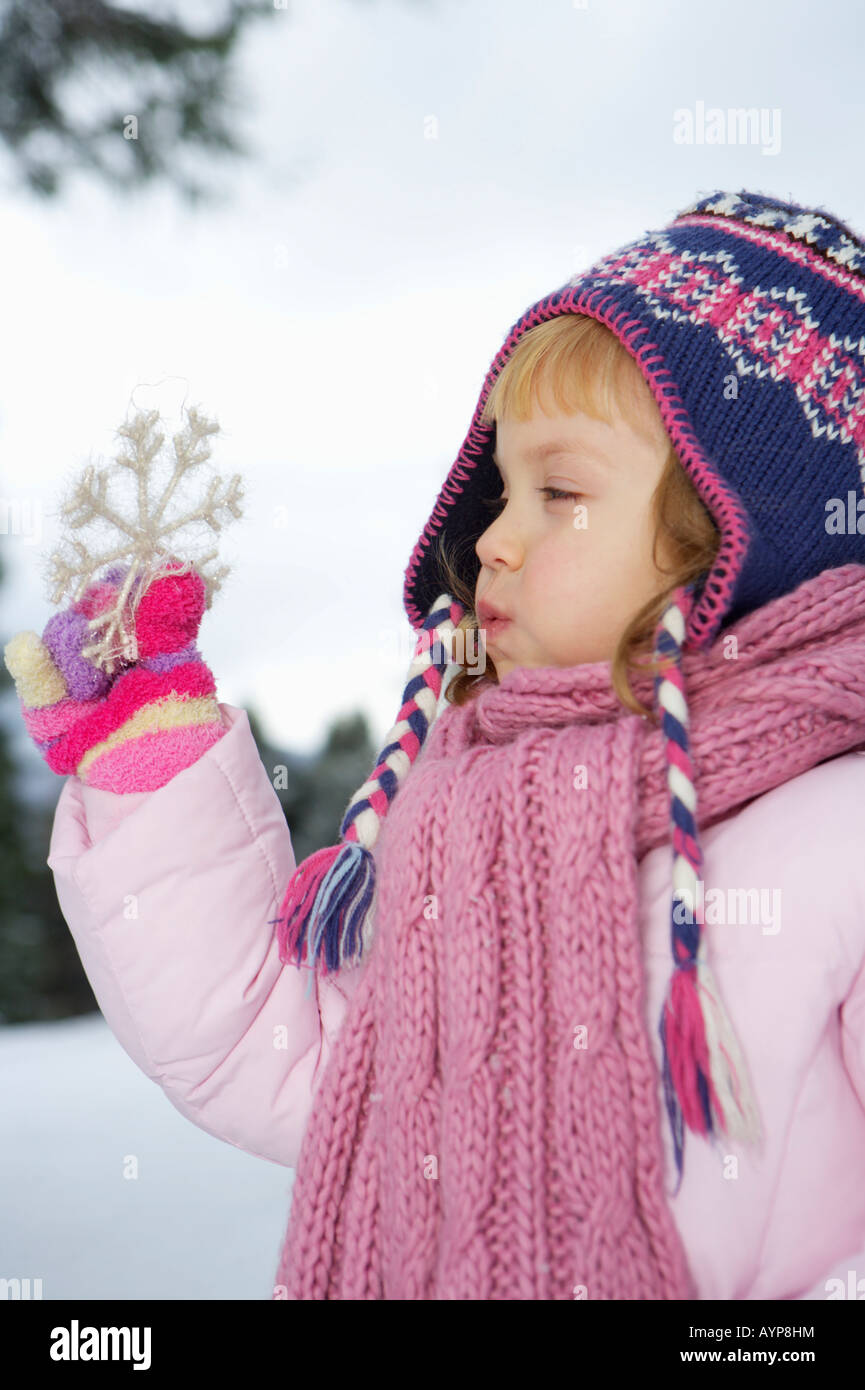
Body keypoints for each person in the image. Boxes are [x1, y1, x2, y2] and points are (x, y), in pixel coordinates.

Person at [8, 188, 865, 1301]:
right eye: (499, 489)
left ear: (740, 530)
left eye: (557, 490)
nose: (492, 542)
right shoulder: (463, 812)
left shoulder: (837, 838)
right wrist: (152, 766)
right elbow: (286, 1049)